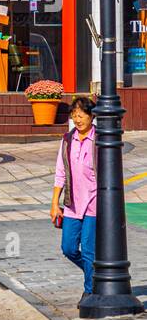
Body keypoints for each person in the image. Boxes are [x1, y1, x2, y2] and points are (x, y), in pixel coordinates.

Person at [52, 95, 97, 304]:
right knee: (68, 248)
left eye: (81, 115)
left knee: (88, 250)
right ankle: (96, 274)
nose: (77, 119)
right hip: (72, 203)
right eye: (74, 115)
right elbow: (60, 173)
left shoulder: (99, 139)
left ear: (91, 116)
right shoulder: (67, 140)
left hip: (94, 204)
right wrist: (54, 204)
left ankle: (89, 291)